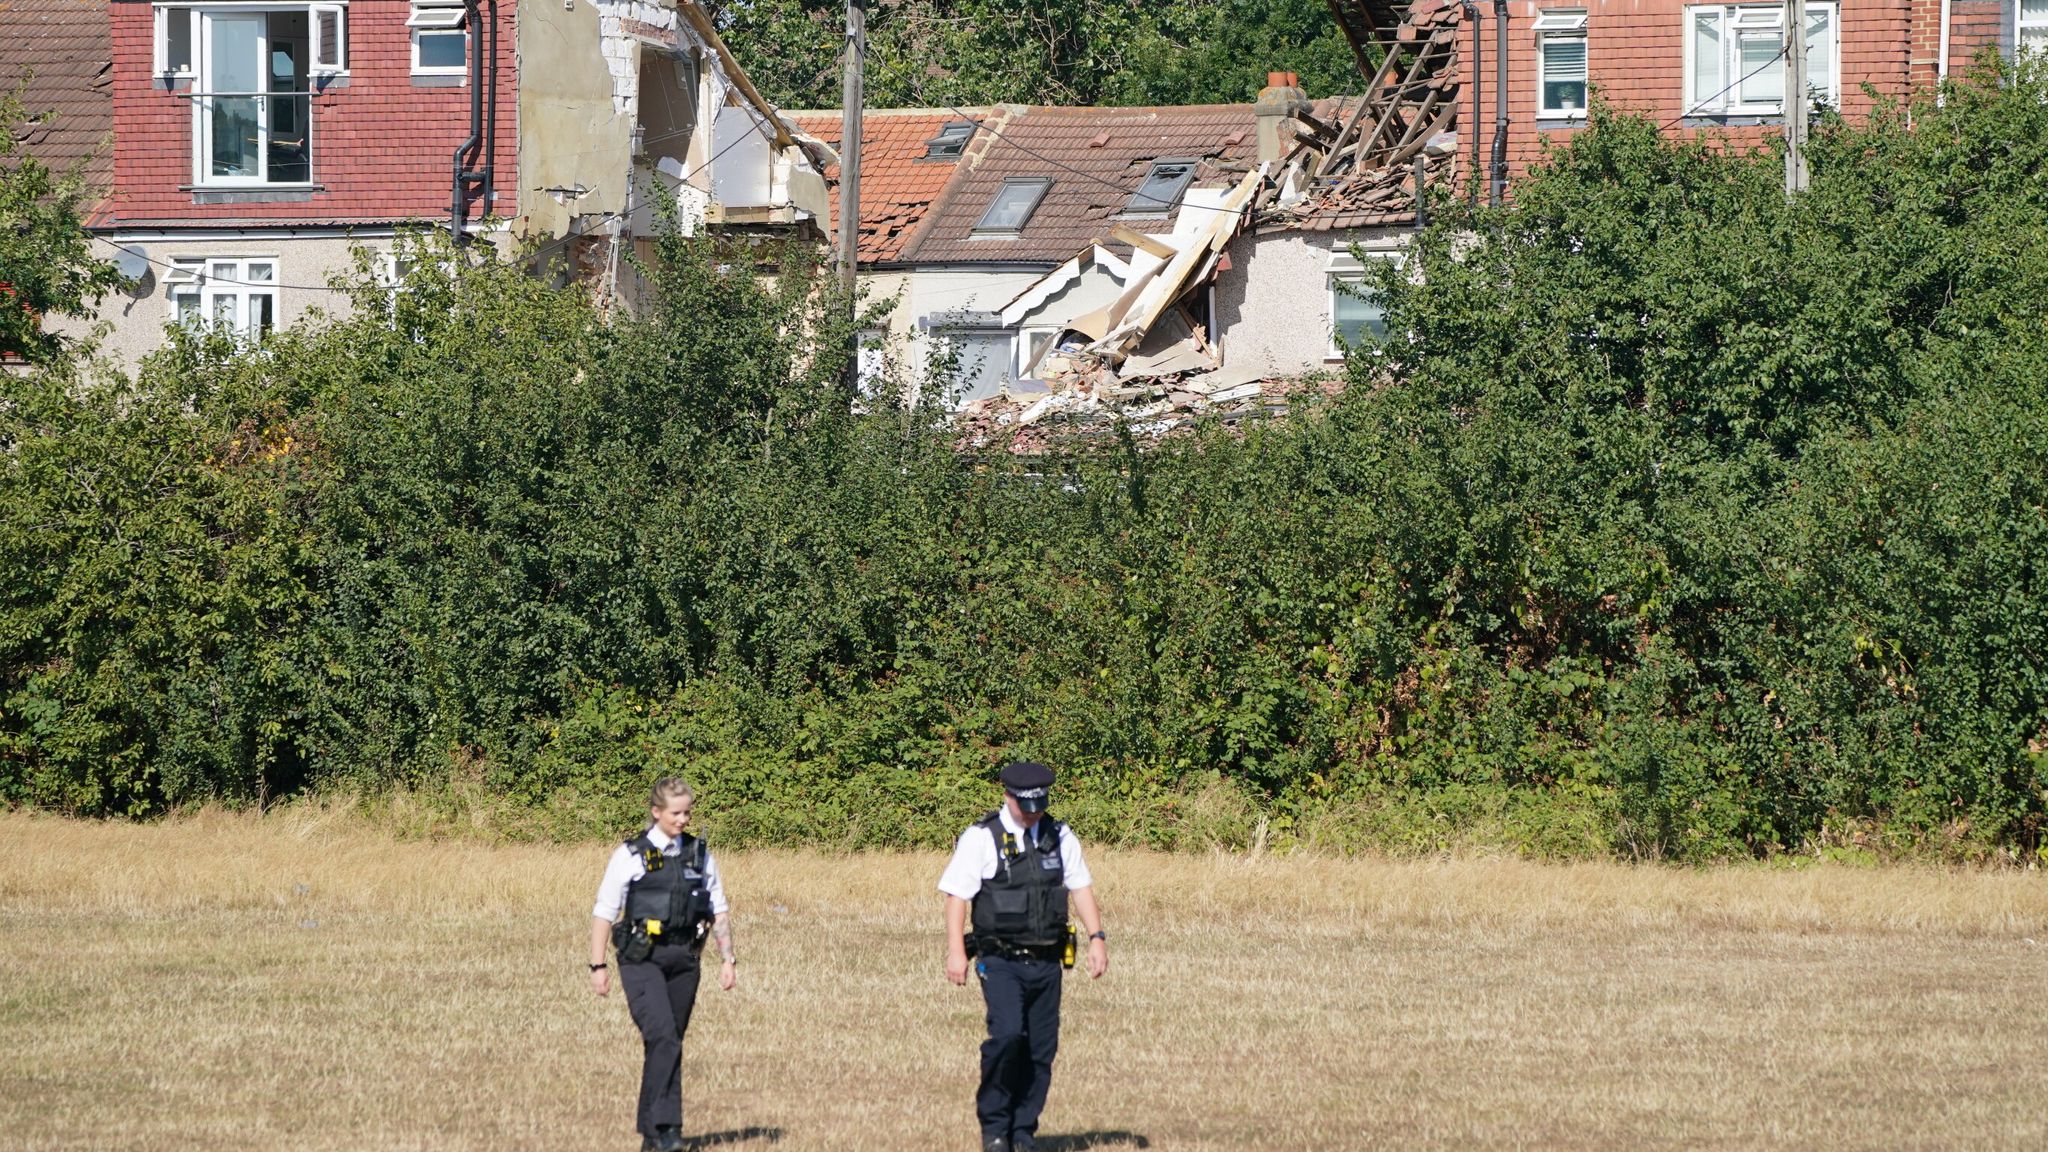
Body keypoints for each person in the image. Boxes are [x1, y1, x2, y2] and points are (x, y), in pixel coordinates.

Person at [939, 760, 1110, 1152]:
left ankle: (1022, 1132)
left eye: (1039, 806)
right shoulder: (981, 837)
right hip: (999, 959)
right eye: (1026, 807)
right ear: (1008, 797)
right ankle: (996, 1128)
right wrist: (955, 953)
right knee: (1008, 1036)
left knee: (1041, 1050)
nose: (1033, 814)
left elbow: (1080, 888)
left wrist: (1096, 937)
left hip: (1048, 960)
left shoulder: (1059, 834)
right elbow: (956, 897)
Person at [589, 777, 739, 1152]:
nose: (684, 819)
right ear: (656, 812)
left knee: (668, 1043)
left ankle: (654, 1135)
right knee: (664, 1037)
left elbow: (718, 908)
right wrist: (598, 966)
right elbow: (605, 913)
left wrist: (727, 958)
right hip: (642, 960)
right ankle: (665, 1128)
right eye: (676, 812)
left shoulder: (700, 855)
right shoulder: (630, 854)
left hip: (686, 960)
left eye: (688, 811)